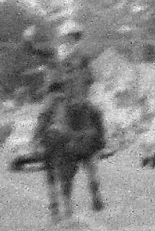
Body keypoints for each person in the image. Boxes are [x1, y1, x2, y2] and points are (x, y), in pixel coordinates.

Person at [25, 19, 102, 152]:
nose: (70, 38)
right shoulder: (55, 52)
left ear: (76, 37)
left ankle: (101, 142)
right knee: (46, 111)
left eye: (73, 35)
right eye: (67, 35)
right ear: (63, 37)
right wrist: (28, 40)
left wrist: (88, 86)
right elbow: (34, 50)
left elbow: (89, 75)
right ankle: (35, 142)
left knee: (95, 112)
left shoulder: (82, 55)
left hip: (77, 92)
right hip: (57, 91)